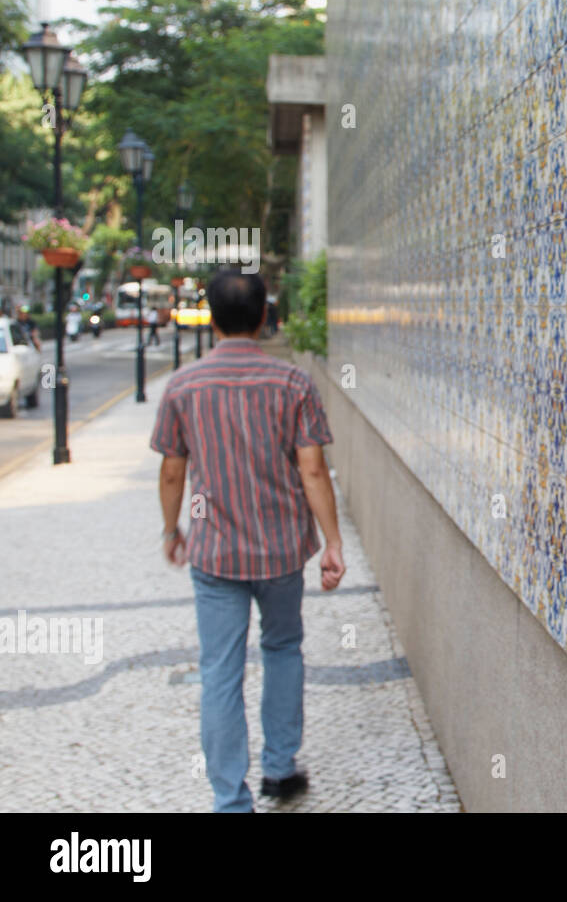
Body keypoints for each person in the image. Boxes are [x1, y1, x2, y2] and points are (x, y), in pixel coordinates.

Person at [149, 269, 346, 813]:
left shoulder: (183, 386)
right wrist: (332, 542)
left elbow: (172, 472)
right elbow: (313, 471)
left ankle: (230, 800)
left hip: (214, 553)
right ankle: (280, 769)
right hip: (281, 548)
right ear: (265, 316)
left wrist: (173, 530)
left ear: (211, 319)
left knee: (219, 669)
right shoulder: (292, 383)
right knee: (283, 648)